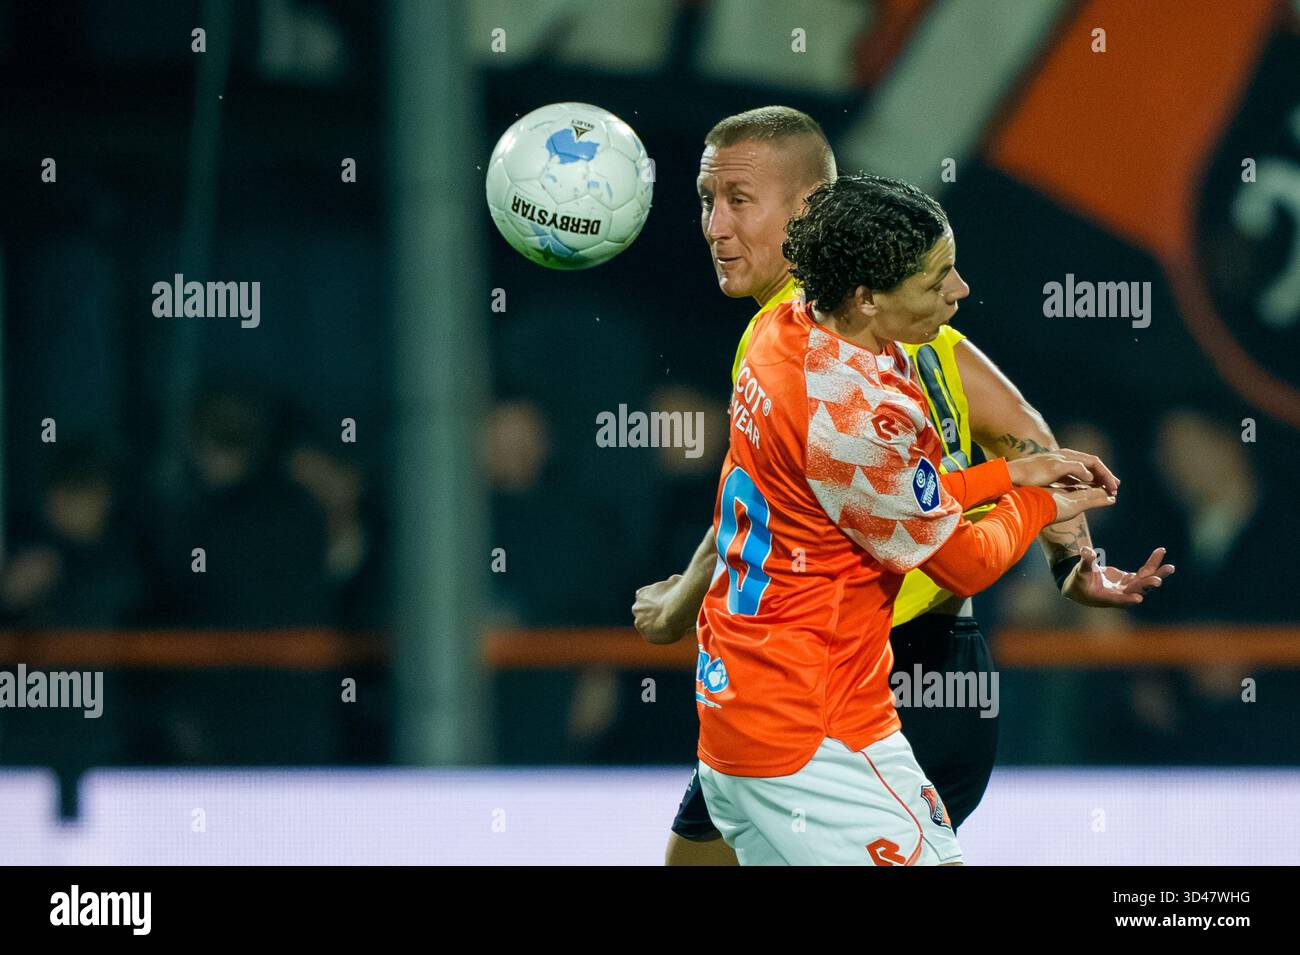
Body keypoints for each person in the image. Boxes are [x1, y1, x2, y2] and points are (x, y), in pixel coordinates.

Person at [632, 107, 1173, 866]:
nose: (715, 226)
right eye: (706, 200)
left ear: (813, 211)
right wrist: (1060, 543)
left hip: (861, 675)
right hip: (824, 684)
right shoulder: (872, 362)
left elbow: (1017, 449)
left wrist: (1053, 533)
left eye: (738, 200)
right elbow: (1005, 466)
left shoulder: (796, 333)